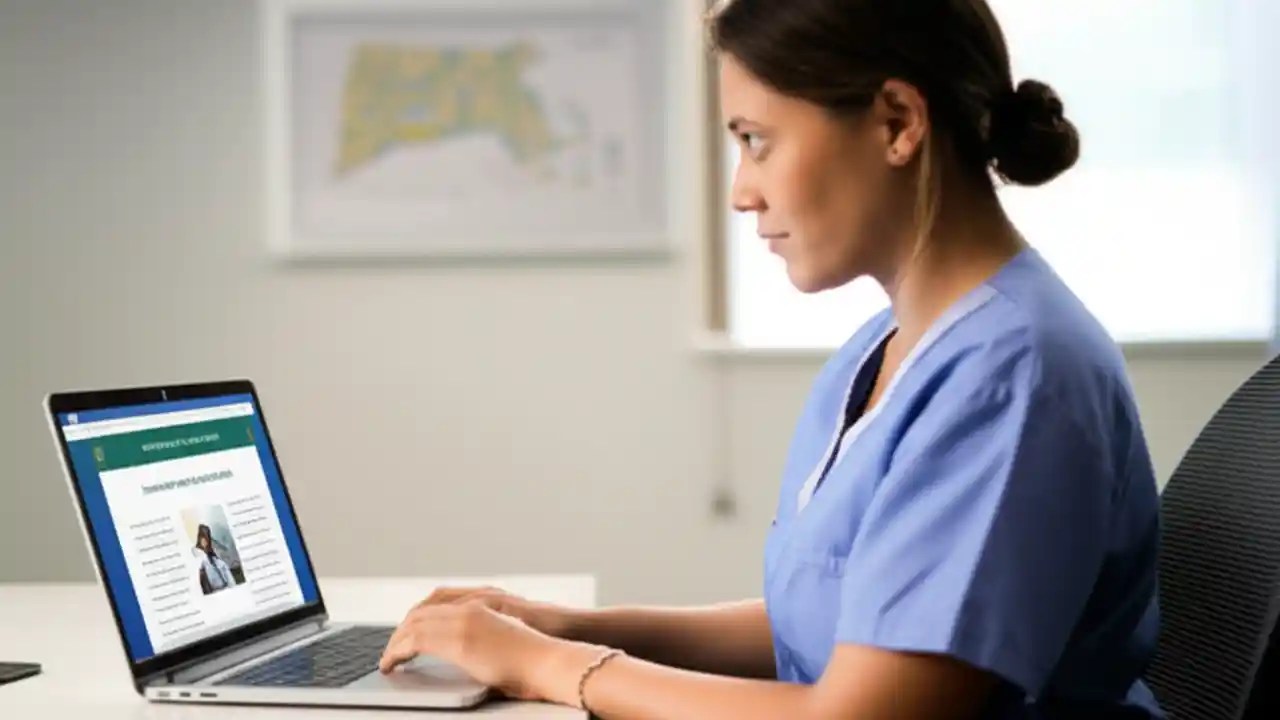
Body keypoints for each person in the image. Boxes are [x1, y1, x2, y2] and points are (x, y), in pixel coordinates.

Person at [377, 1, 1163, 717]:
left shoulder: (1013, 375)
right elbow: (843, 624)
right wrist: (570, 626)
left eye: (756, 141)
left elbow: (863, 714)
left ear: (896, 122)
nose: (741, 192)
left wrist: (553, 665)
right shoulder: (892, 350)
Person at [194, 523, 236, 594]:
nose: (205, 541)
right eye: (202, 538)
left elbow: (224, 569)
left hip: (226, 586)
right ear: (199, 538)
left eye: (207, 538)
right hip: (214, 590)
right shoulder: (199, 555)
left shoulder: (214, 555)